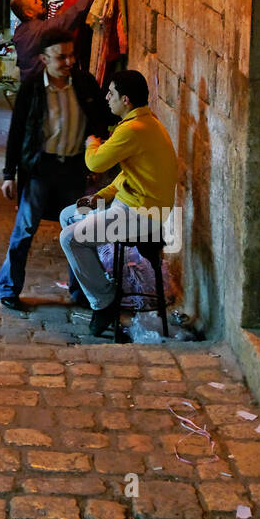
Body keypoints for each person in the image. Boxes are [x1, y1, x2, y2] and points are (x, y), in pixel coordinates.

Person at [59, 69, 179, 337]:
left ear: (125, 100)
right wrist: (102, 195)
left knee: (69, 238)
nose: (106, 97)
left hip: (142, 214)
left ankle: (104, 301)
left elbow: (95, 162)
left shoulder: (134, 129)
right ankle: (88, 287)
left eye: (111, 93)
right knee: (69, 214)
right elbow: (130, 174)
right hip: (127, 205)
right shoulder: (146, 124)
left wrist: (91, 142)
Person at [0, 34, 112, 310]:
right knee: (24, 230)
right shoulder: (33, 89)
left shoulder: (84, 84)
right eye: (61, 57)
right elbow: (17, 132)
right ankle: (8, 288)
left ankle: (81, 292)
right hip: (40, 169)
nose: (69, 61)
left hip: (74, 170)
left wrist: (98, 162)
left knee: (79, 232)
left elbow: (100, 120)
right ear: (44, 59)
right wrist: (8, 174)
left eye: (71, 55)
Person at [11, 0, 103, 81]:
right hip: (41, 87)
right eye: (36, 2)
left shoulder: (20, 31)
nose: (41, 2)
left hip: (28, 85)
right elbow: (77, 11)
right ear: (29, 12)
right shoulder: (40, 30)